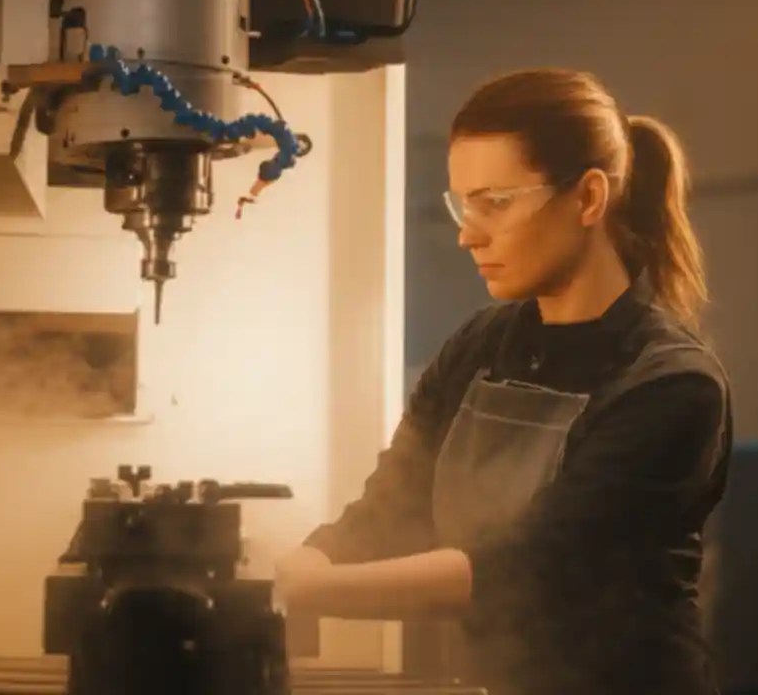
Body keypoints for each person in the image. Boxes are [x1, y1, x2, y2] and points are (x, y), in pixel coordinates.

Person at [274, 68, 733, 695]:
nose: (467, 234)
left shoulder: (672, 383)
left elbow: (537, 569)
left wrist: (322, 591)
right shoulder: (479, 346)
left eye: (496, 203)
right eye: (463, 205)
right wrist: (314, 554)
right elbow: (392, 507)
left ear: (589, 199)